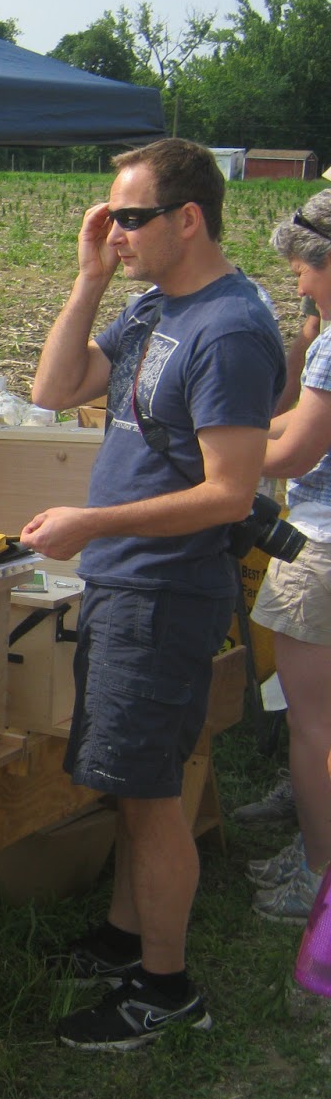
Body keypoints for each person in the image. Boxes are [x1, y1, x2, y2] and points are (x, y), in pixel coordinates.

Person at [21, 137, 284, 1049]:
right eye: (110, 217)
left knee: (149, 794)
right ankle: (123, 938)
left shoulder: (230, 330)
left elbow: (231, 493)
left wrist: (91, 524)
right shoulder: (153, 307)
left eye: (130, 217)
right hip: (128, 580)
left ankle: (166, 990)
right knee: (130, 782)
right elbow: (54, 388)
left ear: (189, 218)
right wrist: (89, 277)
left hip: (165, 589)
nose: (115, 231)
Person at [245, 192, 331, 924]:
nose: (298, 282)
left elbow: (300, 450)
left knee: (313, 725)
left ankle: (319, 876)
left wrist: (221, 456)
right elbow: (304, 420)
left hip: (321, 548)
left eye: (304, 267)